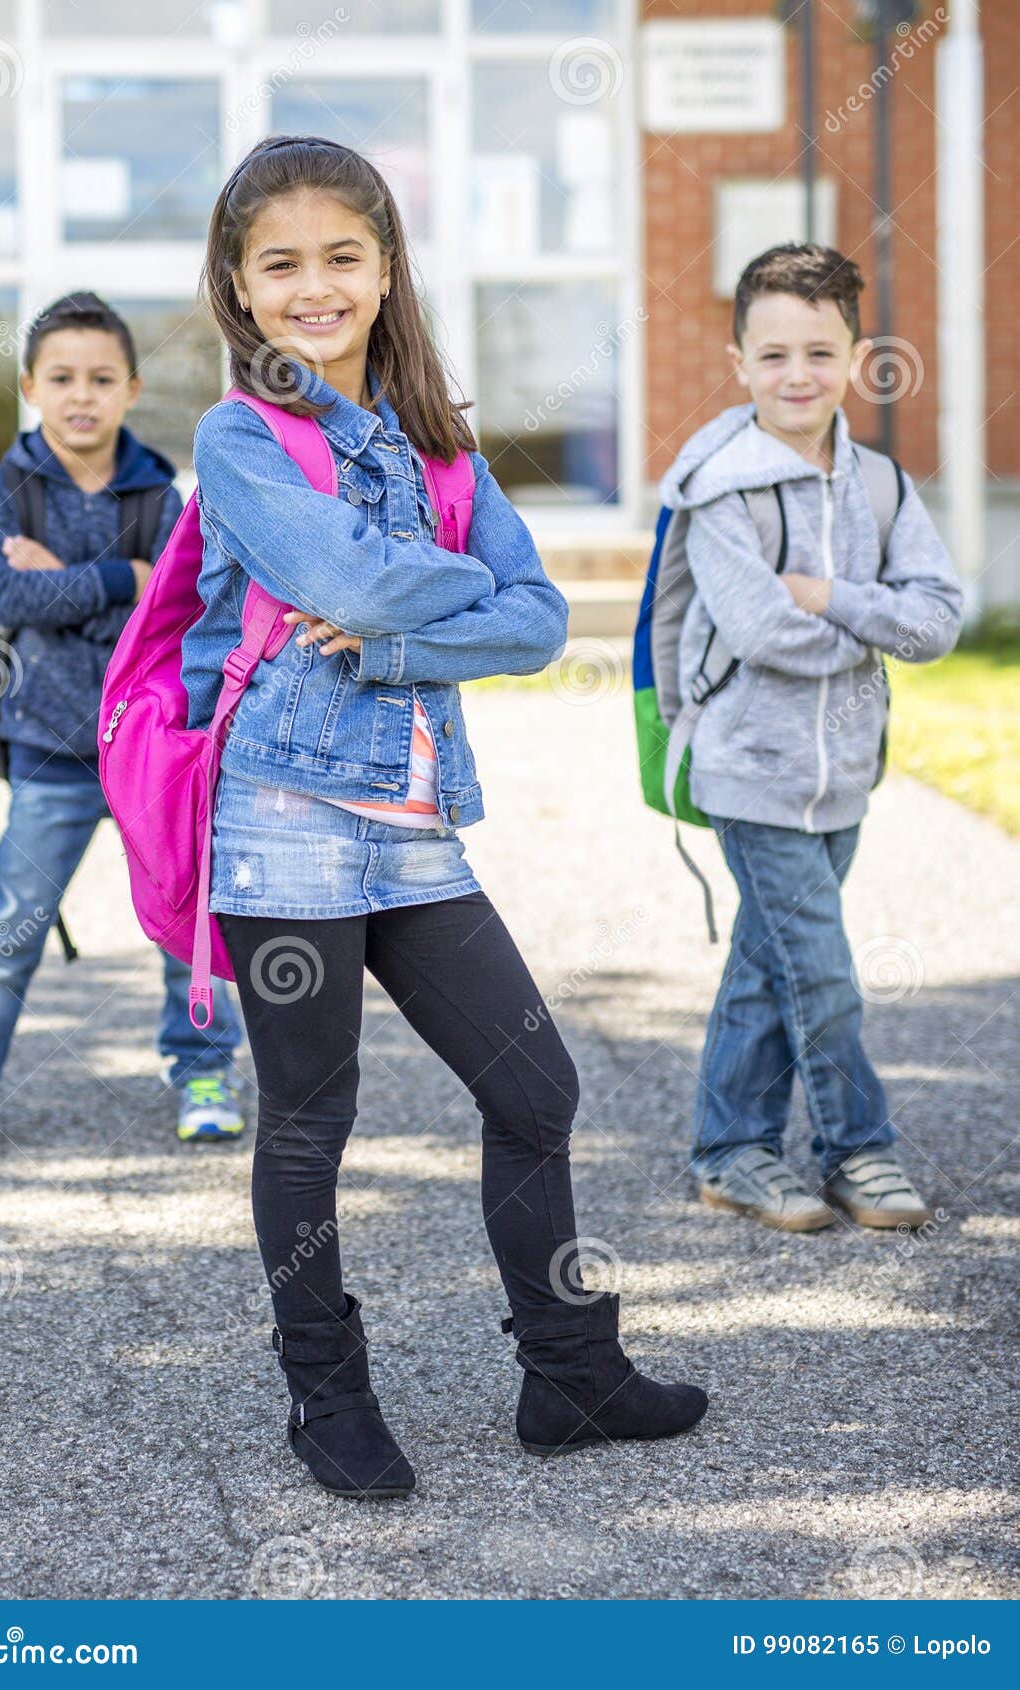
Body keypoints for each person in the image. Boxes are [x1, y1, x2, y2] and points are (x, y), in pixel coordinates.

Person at [182, 134, 710, 1499]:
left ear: (385, 266)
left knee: (536, 1085)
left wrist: (395, 621)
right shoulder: (241, 437)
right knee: (310, 1118)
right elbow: (334, 580)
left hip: (413, 823)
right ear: (239, 287)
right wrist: (419, 591)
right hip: (285, 812)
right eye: (280, 263)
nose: (315, 286)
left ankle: (569, 1373)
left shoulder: (438, 443)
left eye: (341, 257)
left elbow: (536, 617)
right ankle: (326, 1398)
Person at [659, 244, 964, 1234]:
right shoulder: (718, 486)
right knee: (821, 970)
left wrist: (830, 595)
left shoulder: (877, 484)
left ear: (855, 356)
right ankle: (856, 1151)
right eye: (774, 354)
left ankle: (729, 1151)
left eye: (818, 353)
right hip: (749, 770)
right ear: (738, 359)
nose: (797, 375)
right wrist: (871, 623)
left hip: (844, 776)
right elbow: (759, 633)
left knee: (767, 964)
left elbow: (937, 621)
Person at [0, 293, 244, 1159]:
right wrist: (121, 579)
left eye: (101, 378)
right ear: (29, 387)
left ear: (132, 388)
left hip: (149, 747)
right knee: (13, 922)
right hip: (49, 746)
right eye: (61, 378)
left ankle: (202, 1067)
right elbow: (12, 596)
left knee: (190, 915)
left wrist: (81, 586)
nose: (81, 395)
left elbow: (170, 619)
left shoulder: (161, 493)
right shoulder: (0, 490)